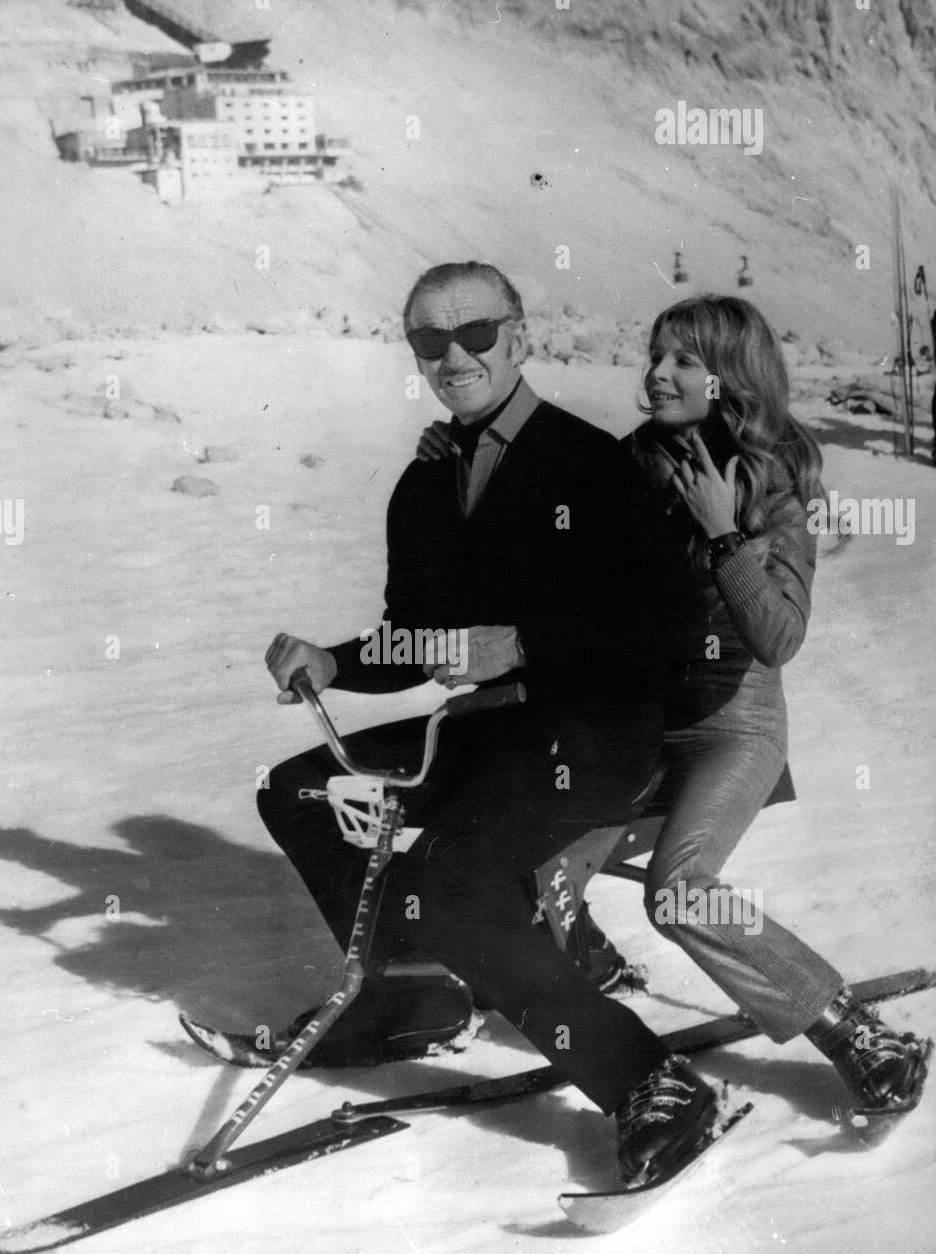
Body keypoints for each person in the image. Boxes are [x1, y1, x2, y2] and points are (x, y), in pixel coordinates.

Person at [256, 262, 719, 1184]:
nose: (453, 357)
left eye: (474, 334)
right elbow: (417, 639)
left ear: (519, 338)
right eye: (429, 340)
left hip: (592, 733)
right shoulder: (425, 484)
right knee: (299, 790)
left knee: (451, 884)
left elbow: (670, 628)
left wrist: (521, 644)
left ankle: (647, 1081)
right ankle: (410, 996)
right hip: (484, 732)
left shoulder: (593, 466)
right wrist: (335, 662)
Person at [609, 295, 928, 1112]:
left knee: (677, 887)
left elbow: (779, 636)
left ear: (729, 378)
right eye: (656, 355)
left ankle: (856, 1034)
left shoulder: (770, 479)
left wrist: (723, 535)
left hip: (733, 724)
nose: (658, 374)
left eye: (683, 361)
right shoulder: (630, 461)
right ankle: (581, 965)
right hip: (634, 718)